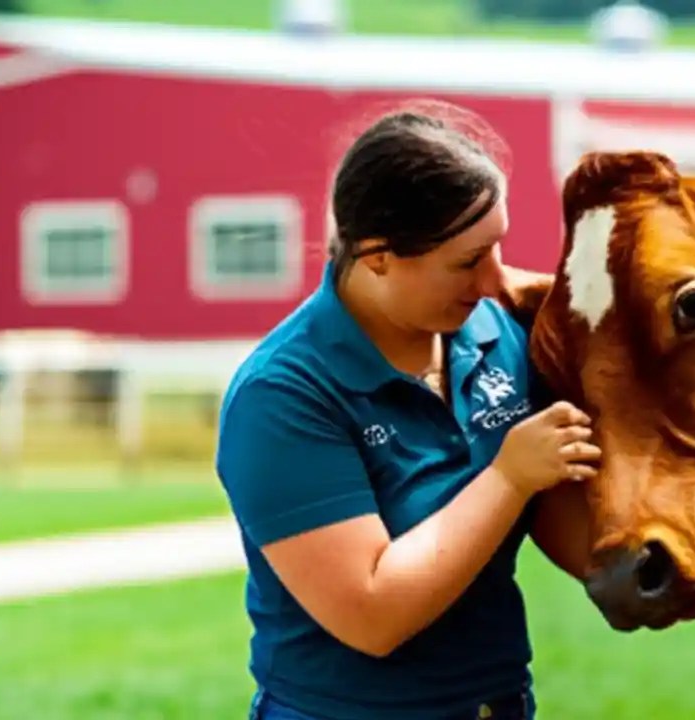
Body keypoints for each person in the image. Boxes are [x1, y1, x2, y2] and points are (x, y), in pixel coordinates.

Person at [214, 101, 600, 720]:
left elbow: (569, 531)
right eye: (467, 261)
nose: (494, 281)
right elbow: (372, 614)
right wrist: (509, 476)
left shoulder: (496, 336)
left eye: (496, 246)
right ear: (376, 255)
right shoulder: (283, 396)